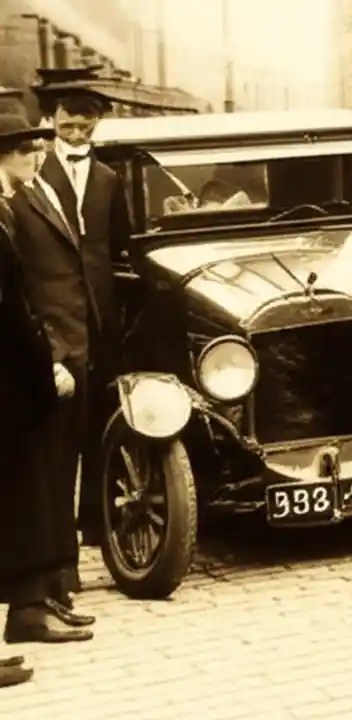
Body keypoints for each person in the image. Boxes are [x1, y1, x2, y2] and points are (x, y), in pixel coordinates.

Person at [6, 107, 104, 632]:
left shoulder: (43, 188)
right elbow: (21, 292)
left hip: (73, 345)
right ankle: (37, 594)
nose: (38, 153)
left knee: (63, 471)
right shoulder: (11, 204)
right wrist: (51, 354)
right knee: (43, 479)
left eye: (38, 145)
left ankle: (55, 587)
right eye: (26, 148)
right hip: (48, 352)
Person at [38, 89, 131, 556]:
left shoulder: (110, 179)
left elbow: (118, 246)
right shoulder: (34, 176)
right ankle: (53, 535)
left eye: (85, 126)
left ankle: (95, 520)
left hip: (100, 318)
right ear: (50, 120)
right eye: (67, 124)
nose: (76, 134)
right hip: (54, 316)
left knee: (100, 419)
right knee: (58, 426)